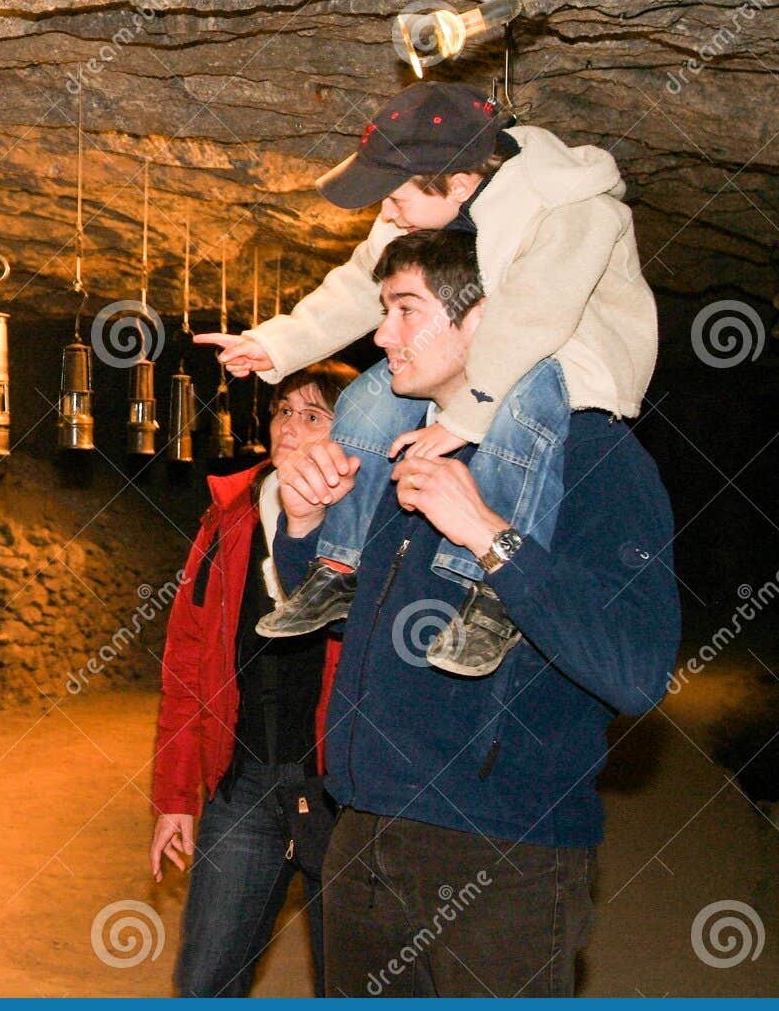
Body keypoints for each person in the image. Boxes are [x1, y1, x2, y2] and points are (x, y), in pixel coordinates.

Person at [271, 229, 678, 996]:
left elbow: (636, 671)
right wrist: (302, 528)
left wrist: (493, 538)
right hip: (359, 828)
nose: (382, 334)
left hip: (498, 853)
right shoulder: (409, 447)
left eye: (404, 309)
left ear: (484, 317)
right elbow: (342, 625)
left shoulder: (595, 458)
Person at [196, 81, 657, 677]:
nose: (385, 211)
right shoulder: (433, 205)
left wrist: (466, 415)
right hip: (494, 357)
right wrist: (274, 343)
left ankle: (490, 597)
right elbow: (364, 282)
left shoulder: (571, 206)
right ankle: (339, 566)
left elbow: (535, 314)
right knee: (367, 395)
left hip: (574, 357)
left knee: (520, 405)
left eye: (394, 197)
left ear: (461, 184)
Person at [150, 360, 357, 997]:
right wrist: (176, 798)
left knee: (355, 989)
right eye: (283, 412)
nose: (292, 427)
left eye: (315, 415)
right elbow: (187, 664)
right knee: (207, 983)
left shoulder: (378, 522)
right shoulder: (228, 518)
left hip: (344, 794)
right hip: (243, 784)